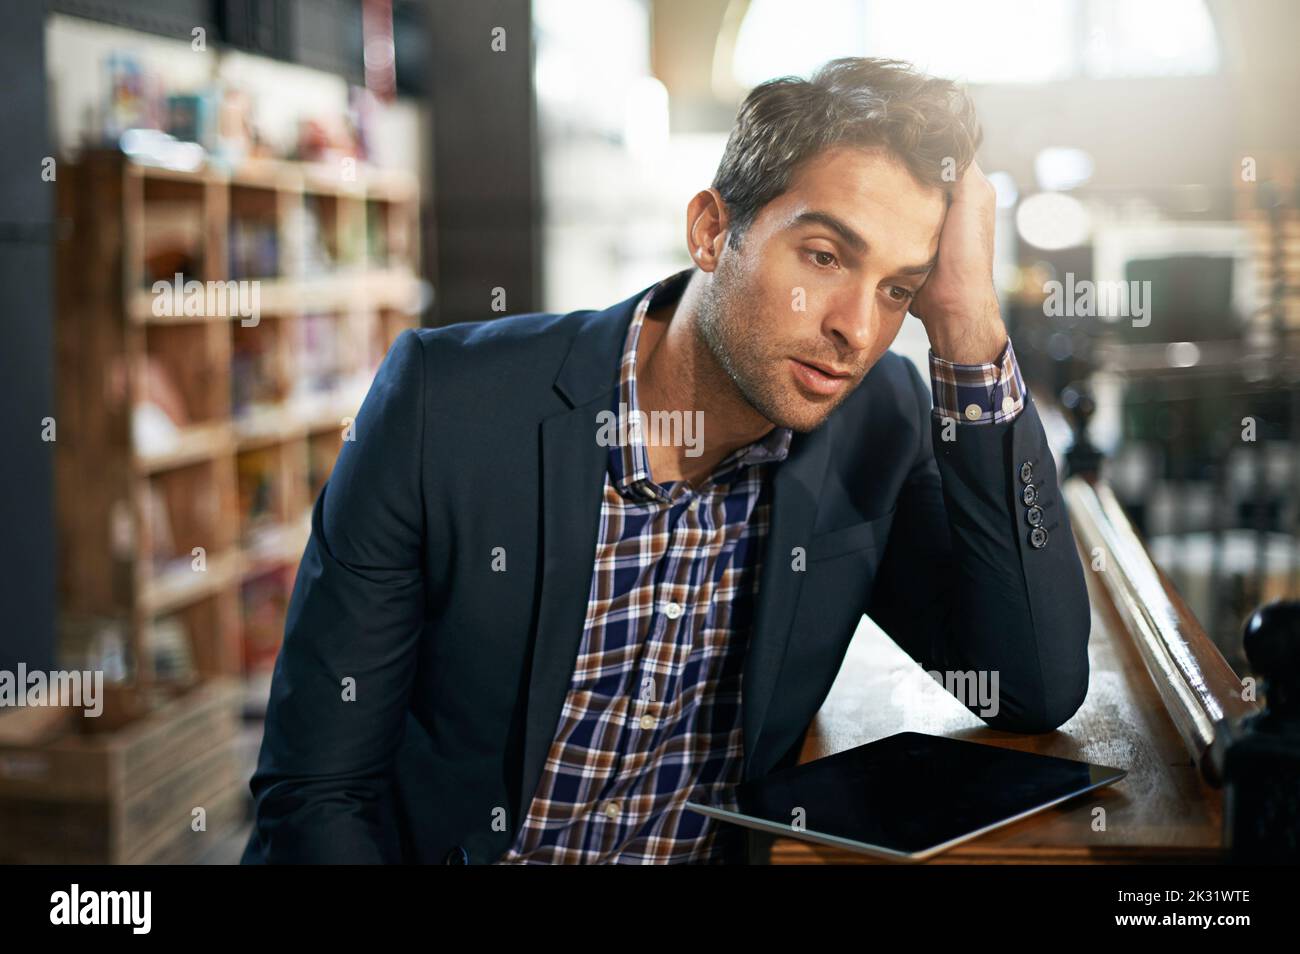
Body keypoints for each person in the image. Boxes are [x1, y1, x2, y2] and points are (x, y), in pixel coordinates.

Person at [242, 57, 1090, 865]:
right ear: (713, 230)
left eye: (897, 289)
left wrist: (970, 324)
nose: (857, 330)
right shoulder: (446, 404)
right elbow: (317, 792)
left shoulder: (881, 422)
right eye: (825, 257)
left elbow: (1034, 685)